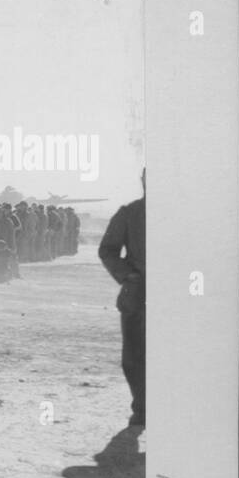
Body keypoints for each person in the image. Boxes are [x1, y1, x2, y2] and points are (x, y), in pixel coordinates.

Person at [98, 172, 146, 429]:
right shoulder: (129, 213)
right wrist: (128, 275)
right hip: (138, 295)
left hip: (175, 297)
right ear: (143, 182)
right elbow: (107, 249)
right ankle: (142, 407)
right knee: (135, 357)